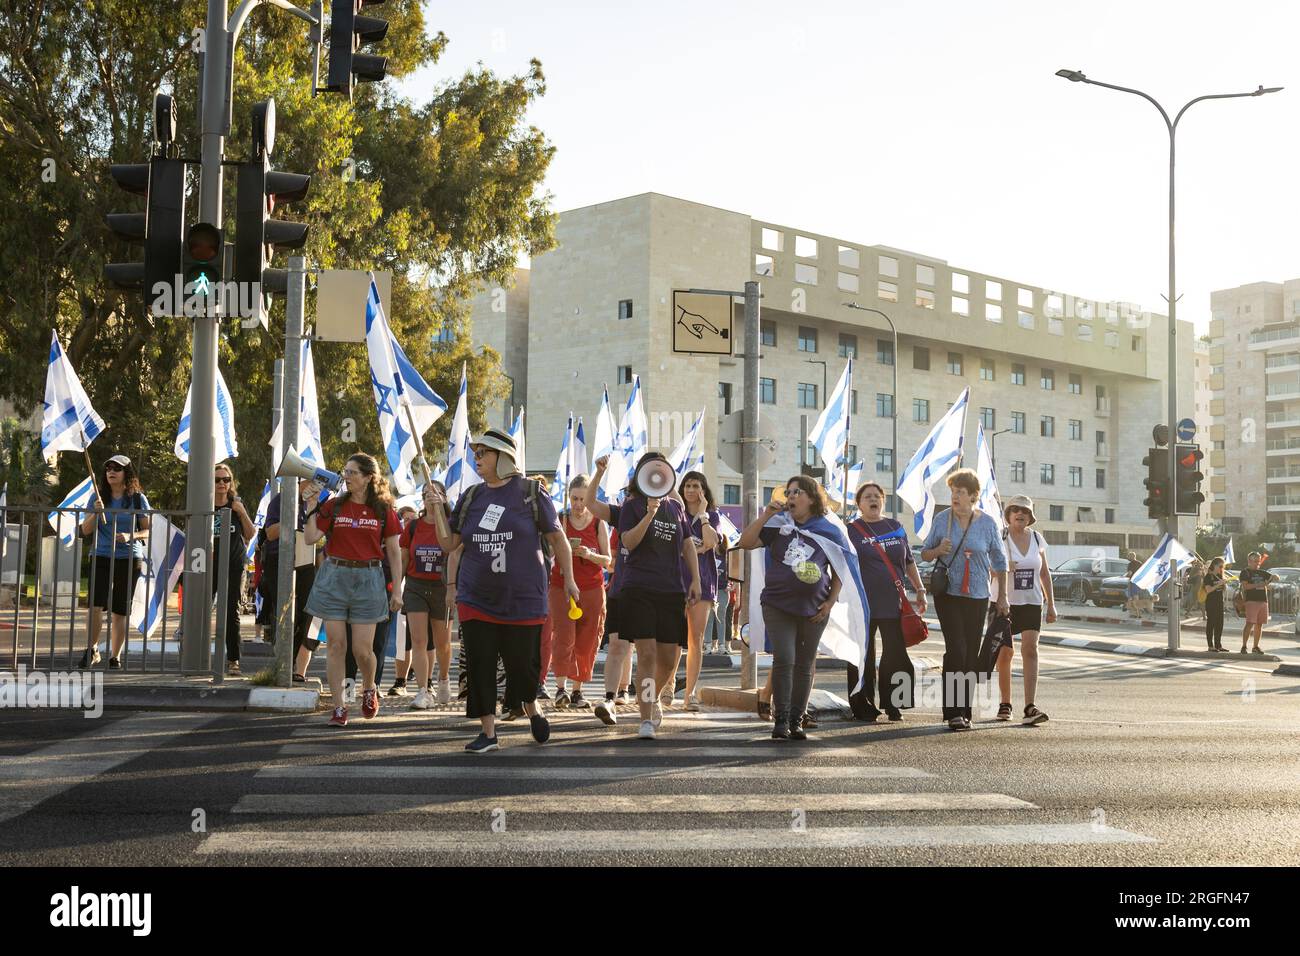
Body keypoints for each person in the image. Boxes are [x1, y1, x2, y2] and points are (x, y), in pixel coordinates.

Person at [427, 428, 579, 753]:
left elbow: (557, 540)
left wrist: (569, 579)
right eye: (475, 453)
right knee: (480, 663)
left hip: (523, 598)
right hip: (476, 597)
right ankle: (488, 732)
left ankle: (530, 705)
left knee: (521, 665)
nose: (477, 459)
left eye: (483, 453)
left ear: (503, 457)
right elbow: (449, 543)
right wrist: (438, 508)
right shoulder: (471, 497)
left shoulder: (531, 492)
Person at [585, 452, 701, 740]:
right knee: (647, 655)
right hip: (639, 589)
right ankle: (646, 717)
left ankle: (649, 696)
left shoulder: (675, 508)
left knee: (670, 660)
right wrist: (649, 513)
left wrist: (696, 579)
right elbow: (629, 541)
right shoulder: (632, 506)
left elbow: (687, 545)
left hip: (671, 590)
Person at [738, 475, 844, 741]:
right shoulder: (778, 525)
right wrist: (765, 516)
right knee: (785, 657)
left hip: (814, 608)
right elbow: (746, 542)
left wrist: (830, 602)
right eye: (789, 492)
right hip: (777, 604)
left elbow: (842, 568)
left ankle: (797, 719)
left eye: (797, 492)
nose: (792, 496)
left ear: (811, 498)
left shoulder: (827, 530)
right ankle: (781, 719)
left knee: (805, 664)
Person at [303, 453, 404, 726]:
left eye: (352, 472)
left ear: (369, 477)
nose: (346, 477)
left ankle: (369, 688)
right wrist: (312, 506)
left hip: (369, 579)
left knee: (362, 650)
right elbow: (311, 537)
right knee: (336, 645)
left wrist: (396, 590)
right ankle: (339, 707)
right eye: (345, 471)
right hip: (334, 577)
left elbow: (394, 552)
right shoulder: (334, 506)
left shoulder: (384, 510)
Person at [919, 468, 1009, 732]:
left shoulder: (987, 523)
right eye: (953, 491)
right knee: (956, 648)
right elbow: (924, 553)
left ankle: (965, 711)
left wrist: (1001, 596)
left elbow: (1001, 561)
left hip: (978, 595)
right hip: (948, 594)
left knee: (970, 653)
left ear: (973, 496)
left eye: (960, 492)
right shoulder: (942, 519)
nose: (955, 496)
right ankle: (953, 711)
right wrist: (938, 550)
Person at [845, 481, 924, 722]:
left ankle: (894, 704)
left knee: (895, 654)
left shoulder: (895, 527)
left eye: (877, 496)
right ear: (859, 504)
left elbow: (909, 561)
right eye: (867, 496)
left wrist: (919, 588)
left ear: (883, 501)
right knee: (862, 656)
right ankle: (863, 705)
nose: (873, 500)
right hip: (862, 604)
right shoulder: (851, 530)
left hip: (893, 602)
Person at [78, 455, 151, 669]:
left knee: (120, 610)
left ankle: (115, 656)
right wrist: (96, 513)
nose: (111, 471)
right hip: (100, 555)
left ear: (126, 473)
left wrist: (132, 536)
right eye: (108, 468)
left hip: (129, 558)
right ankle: (91, 650)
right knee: (94, 605)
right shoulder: (97, 497)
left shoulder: (138, 499)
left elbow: (148, 530)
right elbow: (85, 530)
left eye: (117, 468)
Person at [546, 474, 612, 710]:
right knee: (564, 637)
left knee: (587, 640)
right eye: (574, 499)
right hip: (561, 586)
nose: (577, 505)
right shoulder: (560, 520)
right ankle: (561, 689)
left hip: (592, 588)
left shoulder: (597, 523)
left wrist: (589, 555)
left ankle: (577, 690)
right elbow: (548, 553)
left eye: (582, 499)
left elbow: (609, 562)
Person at [663, 471, 722, 712]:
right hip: (675, 581)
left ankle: (690, 695)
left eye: (696, 485)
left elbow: (710, 542)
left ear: (703, 490)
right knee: (673, 638)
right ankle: (667, 685)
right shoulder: (674, 513)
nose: (690, 489)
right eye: (687, 485)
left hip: (702, 583)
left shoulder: (712, 515)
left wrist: (703, 514)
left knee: (694, 639)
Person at [993, 495, 1054, 726]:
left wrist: (1051, 604)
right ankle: (1005, 702)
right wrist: (1002, 567)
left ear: (1030, 517)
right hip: (1003, 601)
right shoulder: (1000, 537)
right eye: (1015, 509)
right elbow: (987, 569)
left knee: (1030, 649)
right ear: (1008, 514)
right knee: (1005, 653)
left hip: (1031, 600)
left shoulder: (1038, 539)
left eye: (1025, 511)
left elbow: (1044, 574)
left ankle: (1030, 705)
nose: (1020, 513)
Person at [260, 479, 324, 682]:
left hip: (307, 565)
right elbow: (270, 533)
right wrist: (291, 517)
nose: (315, 488)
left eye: (319, 485)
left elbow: (320, 541)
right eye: (310, 483)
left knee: (311, 615)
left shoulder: (316, 505)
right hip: (280, 563)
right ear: (298, 482)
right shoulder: (280, 501)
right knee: (286, 614)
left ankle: (298, 666)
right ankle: (283, 666)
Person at [403, 481, 454, 708]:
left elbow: (454, 552)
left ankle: (443, 678)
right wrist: (396, 585)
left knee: (443, 643)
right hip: (415, 586)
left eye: (435, 494)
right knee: (419, 640)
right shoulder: (413, 526)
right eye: (425, 495)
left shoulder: (451, 525)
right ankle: (423, 690)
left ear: (443, 497)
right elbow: (404, 557)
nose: (429, 498)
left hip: (441, 587)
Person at [212, 462, 256, 676]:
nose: (222, 483)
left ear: (231, 483)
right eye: (217, 479)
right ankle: (196, 655)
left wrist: (241, 512)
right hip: (209, 563)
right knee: (200, 609)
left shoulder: (236, 504)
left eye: (226, 479)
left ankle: (233, 660)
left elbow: (250, 534)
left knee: (232, 611)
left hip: (234, 563)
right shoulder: (205, 505)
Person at [1238, 551, 1275, 655]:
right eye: (1255, 561)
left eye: (1259, 561)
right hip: (1251, 601)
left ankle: (1255, 646)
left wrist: (1275, 577)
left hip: (1263, 600)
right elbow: (1245, 586)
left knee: (1259, 625)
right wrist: (1260, 584)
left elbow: (1272, 577)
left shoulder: (1262, 572)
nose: (1257, 563)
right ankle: (1244, 646)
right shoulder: (1245, 572)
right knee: (1250, 623)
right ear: (1249, 561)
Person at [1203, 557, 1227, 653]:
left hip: (1219, 602)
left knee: (1219, 624)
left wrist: (1224, 584)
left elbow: (1223, 590)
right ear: (1214, 565)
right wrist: (1218, 584)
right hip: (1211, 603)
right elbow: (1208, 590)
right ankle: (1210, 645)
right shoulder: (1208, 576)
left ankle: (1218, 645)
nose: (1221, 568)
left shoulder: (1220, 576)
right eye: (1220, 566)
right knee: (1211, 623)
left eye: (1223, 566)